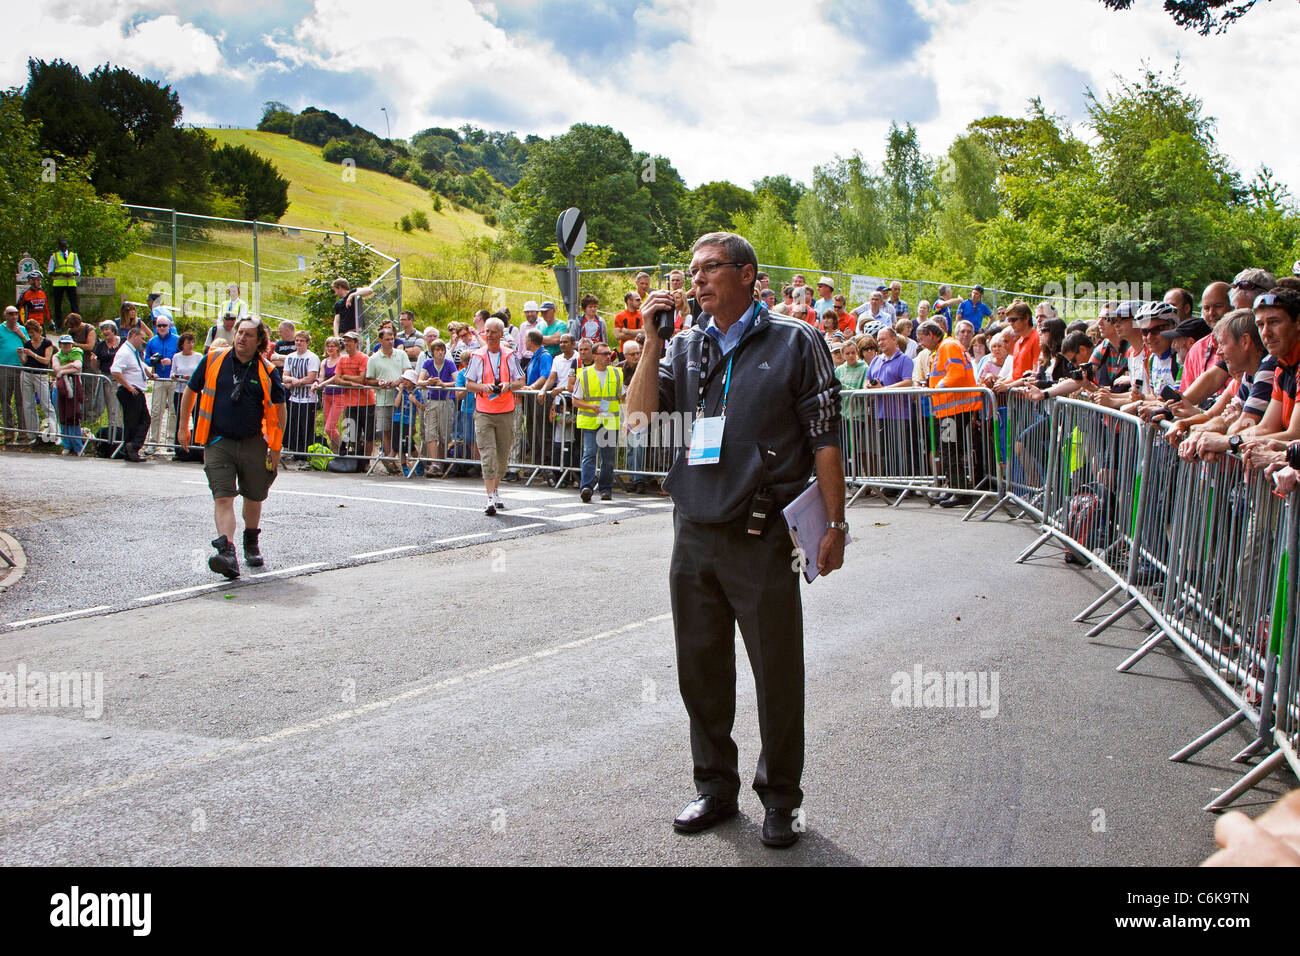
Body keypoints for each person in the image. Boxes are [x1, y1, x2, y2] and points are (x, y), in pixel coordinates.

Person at [630, 232, 845, 849]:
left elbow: (826, 439)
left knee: (776, 672)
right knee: (700, 667)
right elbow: (641, 422)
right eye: (691, 271)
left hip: (762, 533)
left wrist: (835, 524)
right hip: (693, 530)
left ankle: (781, 798)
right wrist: (652, 341)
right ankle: (715, 788)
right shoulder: (684, 346)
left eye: (710, 269)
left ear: (748, 274)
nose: (696, 280)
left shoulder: (795, 340)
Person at [178, 317, 286, 577]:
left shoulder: (267, 370)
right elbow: (191, 391)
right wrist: (183, 426)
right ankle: (226, 552)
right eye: (239, 332)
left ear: (260, 341)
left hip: (253, 442)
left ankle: (251, 541)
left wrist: (276, 446)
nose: (241, 338)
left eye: (249, 334)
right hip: (218, 441)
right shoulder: (213, 359)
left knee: (254, 495)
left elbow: (280, 411)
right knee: (223, 496)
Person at [463, 317, 524, 515]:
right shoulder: (477, 356)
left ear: (501, 334)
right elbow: (469, 384)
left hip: (506, 411)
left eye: (493, 332)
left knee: (502, 456)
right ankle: (489, 498)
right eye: (486, 331)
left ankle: (496, 491)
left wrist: (508, 385)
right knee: (488, 454)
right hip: (484, 412)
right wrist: (483, 387)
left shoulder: (510, 355)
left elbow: (521, 380)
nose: (489, 335)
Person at [572, 340, 624, 502]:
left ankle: (605, 489)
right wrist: (590, 406)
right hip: (591, 421)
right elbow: (575, 400)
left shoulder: (617, 373)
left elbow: (623, 397)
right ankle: (586, 487)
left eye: (609, 353)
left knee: (608, 458)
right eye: (604, 354)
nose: (608, 356)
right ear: (595, 356)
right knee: (590, 454)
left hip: (609, 421)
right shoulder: (584, 374)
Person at [366, 325, 411, 474]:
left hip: (401, 398)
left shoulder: (401, 354)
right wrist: (379, 382)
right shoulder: (373, 359)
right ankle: (390, 460)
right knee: (385, 430)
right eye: (387, 339)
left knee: (401, 430)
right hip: (383, 400)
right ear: (380, 340)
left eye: (392, 339)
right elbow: (369, 379)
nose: (390, 342)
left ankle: (400, 459)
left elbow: (407, 372)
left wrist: (398, 381)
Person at [110, 324, 153, 462]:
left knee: (134, 421)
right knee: (141, 420)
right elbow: (115, 370)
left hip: (135, 390)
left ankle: (130, 450)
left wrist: (148, 371)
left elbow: (138, 364)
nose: (143, 341)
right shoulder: (124, 352)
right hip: (131, 391)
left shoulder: (132, 351)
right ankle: (133, 446)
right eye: (141, 338)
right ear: (133, 336)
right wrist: (128, 386)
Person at [417, 339, 458, 476]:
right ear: (432, 352)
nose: (440, 353)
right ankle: (434, 463)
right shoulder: (428, 363)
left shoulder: (449, 364)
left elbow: (456, 380)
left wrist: (443, 384)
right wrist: (428, 382)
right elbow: (419, 380)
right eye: (437, 350)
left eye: (442, 350)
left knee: (443, 433)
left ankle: (441, 462)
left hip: (446, 400)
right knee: (431, 432)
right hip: (431, 401)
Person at [282, 330, 321, 463]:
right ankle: (296, 452)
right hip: (294, 397)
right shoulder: (290, 357)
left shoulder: (312, 357)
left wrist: (299, 381)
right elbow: (284, 375)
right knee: (294, 425)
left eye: (302, 340)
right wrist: (292, 379)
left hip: (308, 398)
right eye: (297, 340)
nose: (298, 343)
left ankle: (306, 453)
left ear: (307, 342)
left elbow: (311, 377)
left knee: (306, 426)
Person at [144, 312, 179, 454]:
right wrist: (155, 361)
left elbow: (184, 355)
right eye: (159, 326)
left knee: (173, 411)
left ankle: (171, 441)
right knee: (156, 410)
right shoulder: (152, 341)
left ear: (169, 326)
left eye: (164, 325)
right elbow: (146, 359)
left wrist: (172, 360)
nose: (162, 328)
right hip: (159, 378)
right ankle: (153, 441)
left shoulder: (177, 340)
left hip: (173, 379)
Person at [18, 319, 56, 443]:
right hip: (27, 373)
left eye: (33, 332)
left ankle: (54, 432)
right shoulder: (28, 343)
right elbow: (24, 361)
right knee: (28, 404)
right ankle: (32, 434)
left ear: (38, 331)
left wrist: (32, 354)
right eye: (29, 333)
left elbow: (46, 361)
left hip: (40, 374)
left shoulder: (47, 343)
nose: (31, 335)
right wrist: (21, 355)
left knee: (46, 403)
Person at [51, 335, 85, 454]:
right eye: (64, 344)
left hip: (74, 388)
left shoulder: (77, 352)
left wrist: (63, 371)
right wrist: (69, 366)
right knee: (62, 416)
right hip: (60, 388)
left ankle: (77, 446)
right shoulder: (56, 355)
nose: (67, 346)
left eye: (69, 343)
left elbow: (78, 366)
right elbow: (56, 368)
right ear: (60, 345)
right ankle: (66, 445)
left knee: (74, 417)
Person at [0, 306, 29, 441]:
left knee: (21, 400)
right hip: (4, 368)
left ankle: (23, 431)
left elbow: (30, 345)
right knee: (5, 400)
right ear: (5, 315)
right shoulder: (1, 329)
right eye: (10, 314)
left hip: (20, 368)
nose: (14, 316)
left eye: (16, 314)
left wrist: (21, 335)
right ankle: (8, 430)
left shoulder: (22, 329)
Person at [46, 237, 81, 329]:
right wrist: (60, 273)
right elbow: (50, 271)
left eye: (65, 246)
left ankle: (77, 325)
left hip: (71, 283)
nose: (64, 248)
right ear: (59, 246)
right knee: (58, 306)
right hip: (59, 284)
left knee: (74, 306)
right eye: (62, 246)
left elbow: (78, 270)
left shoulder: (73, 256)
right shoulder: (54, 256)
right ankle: (59, 326)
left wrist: (72, 273)